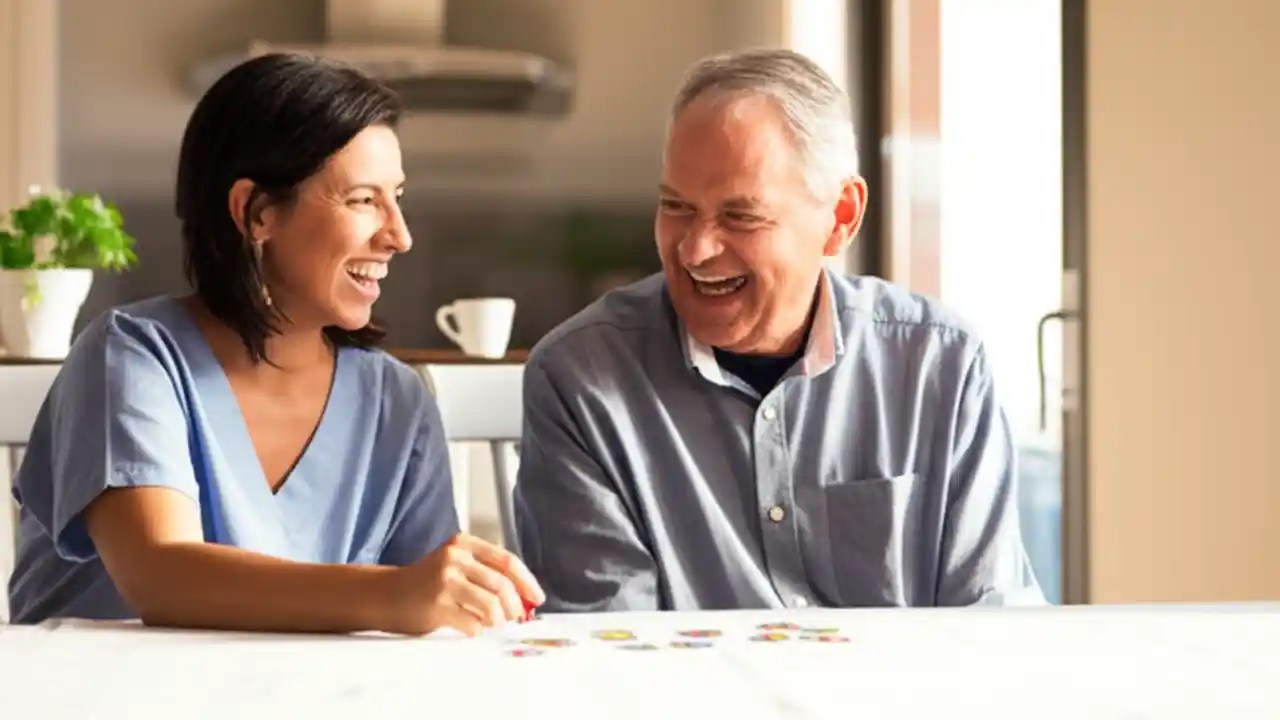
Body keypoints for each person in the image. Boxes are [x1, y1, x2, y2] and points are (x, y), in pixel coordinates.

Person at [8, 53, 543, 634]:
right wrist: (395, 593)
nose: (399, 235)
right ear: (257, 212)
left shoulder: (396, 401)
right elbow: (160, 577)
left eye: (398, 198)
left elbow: (432, 616)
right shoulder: (133, 357)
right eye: (365, 200)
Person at [514, 48, 1044, 611]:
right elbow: (608, 650)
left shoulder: (942, 365)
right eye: (677, 207)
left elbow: (990, 627)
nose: (696, 249)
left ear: (840, 216)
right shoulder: (580, 379)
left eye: (740, 216)